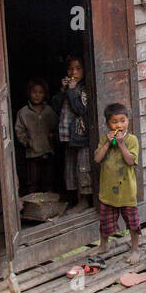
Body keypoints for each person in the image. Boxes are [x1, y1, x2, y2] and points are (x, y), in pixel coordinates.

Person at [88, 102, 142, 267]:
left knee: (132, 223)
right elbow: (97, 159)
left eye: (122, 120)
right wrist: (107, 143)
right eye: (114, 122)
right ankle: (103, 245)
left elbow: (131, 161)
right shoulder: (105, 139)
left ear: (128, 121)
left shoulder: (131, 140)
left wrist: (120, 144)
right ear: (107, 124)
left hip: (126, 192)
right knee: (105, 222)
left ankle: (135, 249)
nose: (119, 125)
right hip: (108, 192)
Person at [51, 57, 94, 210]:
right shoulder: (68, 88)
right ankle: (76, 199)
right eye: (70, 69)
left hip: (80, 135)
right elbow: (55, 106)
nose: (73, 72)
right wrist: (63, 90)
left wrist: (72, 90)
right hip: (67, 136)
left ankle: (84, 201)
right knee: (71, 168)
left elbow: (80, 109)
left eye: (78, 69)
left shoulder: (83, 89)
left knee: (82, 167)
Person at [14, 78, 57, 194]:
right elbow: (19, 130)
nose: (37, 95)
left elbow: (56, 126)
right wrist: (27, 142)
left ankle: (49, 204)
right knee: (32, 181)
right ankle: (34, 205)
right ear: (29, 93)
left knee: (48, 180)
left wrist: (54, 136)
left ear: (45, 94)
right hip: (32, 154)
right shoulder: (23, 112)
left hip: (48, 151)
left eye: (40, 92)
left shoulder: (49, 111)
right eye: (34, 92)